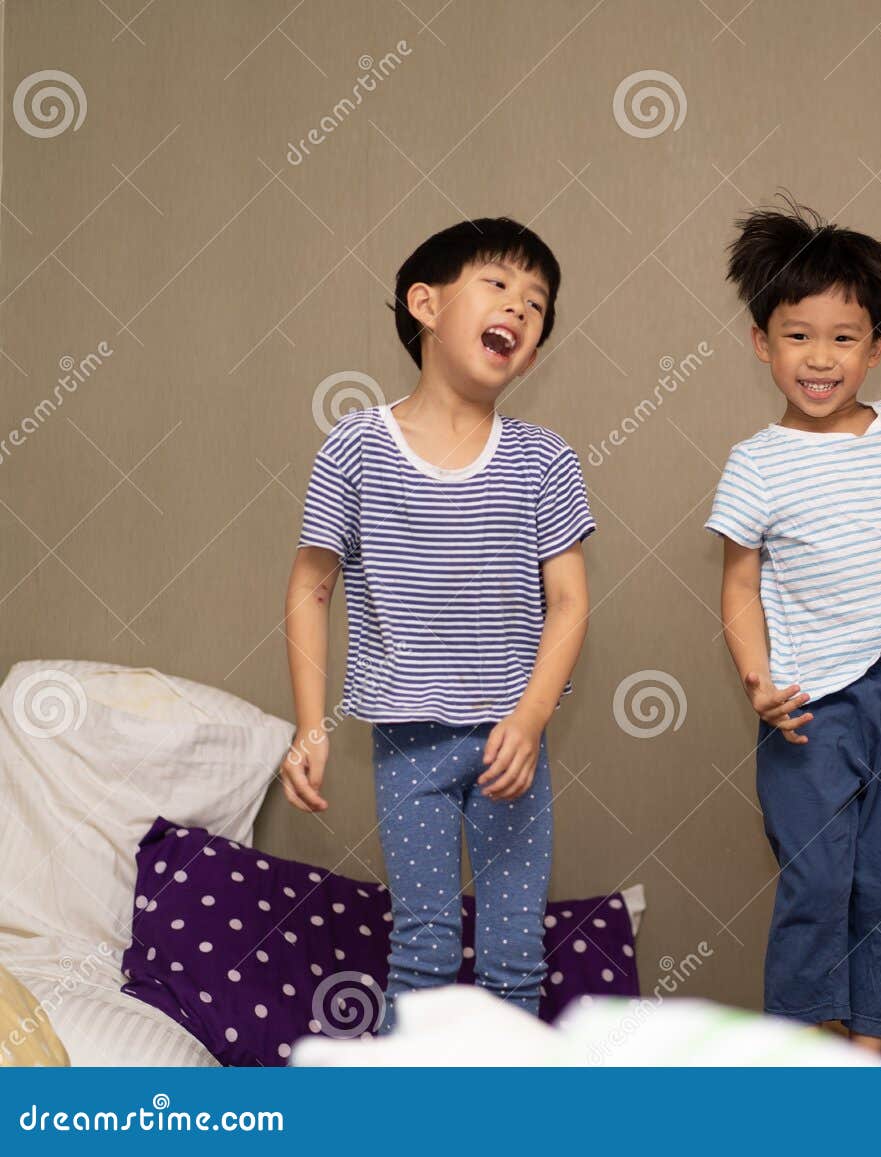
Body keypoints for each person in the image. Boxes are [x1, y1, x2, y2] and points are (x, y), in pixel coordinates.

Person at [280, 217, 595, 1031]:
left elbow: (570, 602)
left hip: (509, 742)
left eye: (538, 305)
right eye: (499, 286)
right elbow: (312, 587)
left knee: (514, 953)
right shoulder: (354, 447)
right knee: (421, 947)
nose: (521, 311)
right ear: (425, 302)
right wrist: (311, 727)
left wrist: (528, 720)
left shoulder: (544, 458)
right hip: (407, 742)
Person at [706, 197, 881, 1050]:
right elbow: (740, 585)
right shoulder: (758, 461)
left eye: (842, 337)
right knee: (816, 877)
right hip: (811, 700)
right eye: (797, 335)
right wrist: (758, 679)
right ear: (762, 341)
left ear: (876, 347)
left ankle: (865, 1043)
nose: (819, 358)